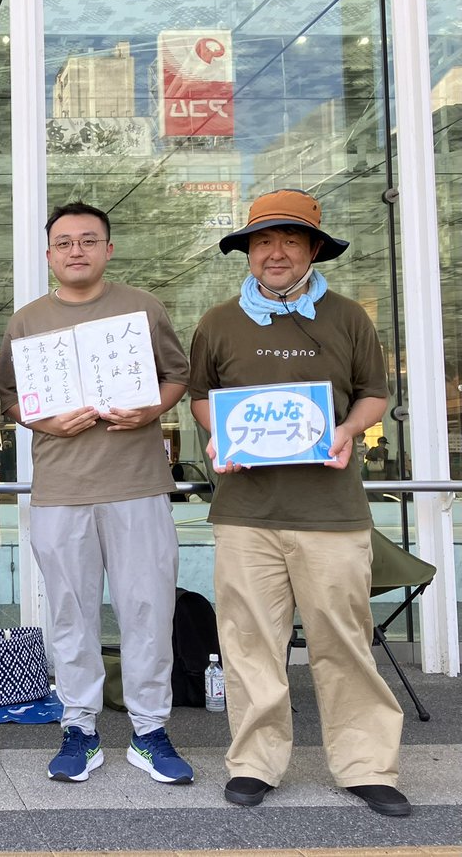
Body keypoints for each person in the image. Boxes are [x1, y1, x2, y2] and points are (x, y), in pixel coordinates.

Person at [188, 188, 409, 816]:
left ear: (314, 248)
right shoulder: (218, 322)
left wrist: (346, 431)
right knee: (250, 640)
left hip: (332, 514)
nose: (275, 252)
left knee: (344, 639)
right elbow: (202, 394)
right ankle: (255, 761)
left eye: (289, 239)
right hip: (245, 515)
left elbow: (372, 393)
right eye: (262, 241)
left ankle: (368, 765)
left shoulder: (347, 317)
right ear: (248, 252)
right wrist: (216, 434)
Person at [0, 202, 193, 785]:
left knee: (147, 608)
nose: (75, 250)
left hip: (136, 484)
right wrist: (42, 422)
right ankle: (79, 727)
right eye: (64, 242)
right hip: (61, 489)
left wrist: (151, 409)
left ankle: (149, 729)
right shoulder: (27, 321)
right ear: (49, 254)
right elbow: (10, 397)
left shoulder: (142, 308)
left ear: (109, 249)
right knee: (69, 613)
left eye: (88, 240)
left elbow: (177, 375)